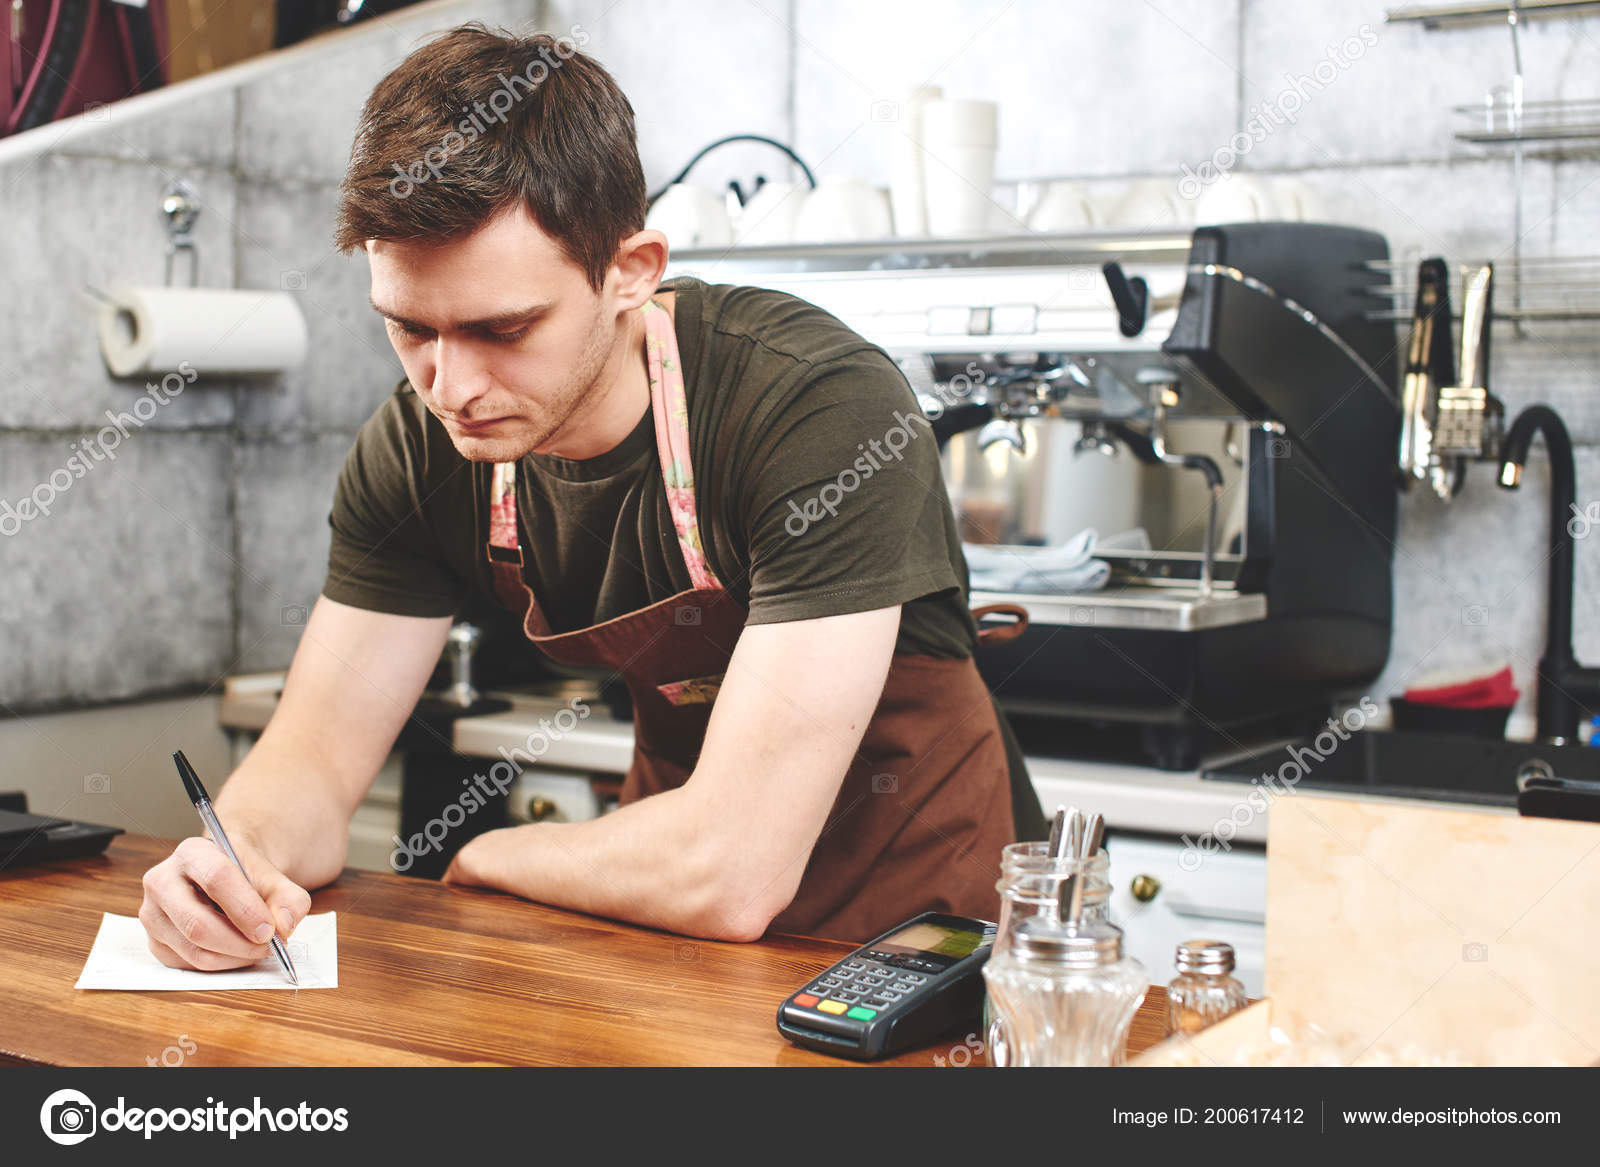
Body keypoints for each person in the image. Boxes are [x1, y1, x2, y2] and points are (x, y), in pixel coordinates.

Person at [137, 23, 1043, 973]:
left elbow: (730, 869)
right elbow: (313, 765)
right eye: (410, 329)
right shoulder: (417, 448)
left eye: (503, 329)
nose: (451, 387)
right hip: (672, 935)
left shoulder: (814, 406)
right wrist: (236, 859)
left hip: (913, 942)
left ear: (630, 272)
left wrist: (491, 855)